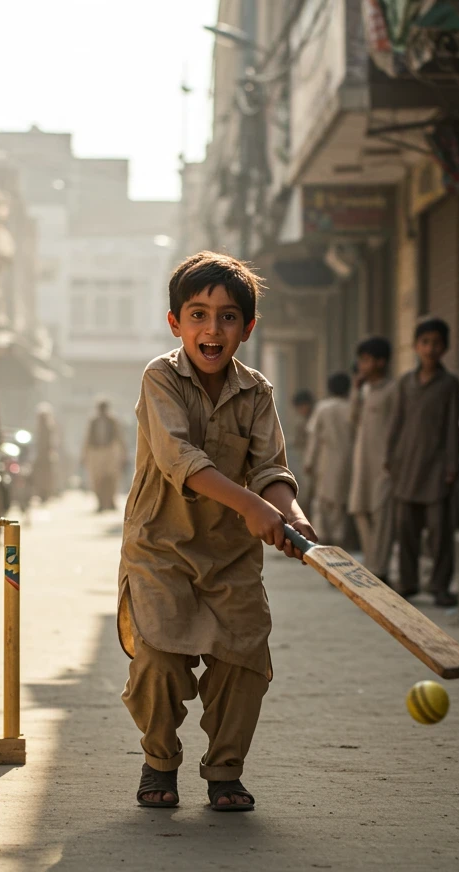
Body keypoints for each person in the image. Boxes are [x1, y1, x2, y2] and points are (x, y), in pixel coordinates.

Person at [118, 251, 316, 812]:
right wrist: (254, 507)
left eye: (228, 317)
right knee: (157, 661)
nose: (212, 328)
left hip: (231, 556)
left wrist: (291, 517)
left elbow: (271, 468)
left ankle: (225, 770)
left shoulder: (258, 392)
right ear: (175, 323)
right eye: (198, 314)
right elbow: (179, 456)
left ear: (247, 328)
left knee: (244, 660)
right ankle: (159, 760)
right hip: (161, 549)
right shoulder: (160, 377)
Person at [385, 317, 459, 607]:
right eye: (425, 342)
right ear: (416, 346)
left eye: (436, 343)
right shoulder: (406, 382)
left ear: (445, 348)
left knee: (440, 532)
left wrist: (452, 465)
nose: (430, 348)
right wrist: (390, 456)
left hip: (437, 467)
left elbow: (453, 426)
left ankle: (440, 586)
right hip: (406, 464)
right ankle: (408, 582)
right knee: (406, 529)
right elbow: (397, 422)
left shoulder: (450, 384)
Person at [347, 336, 395, 581]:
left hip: (384, 464)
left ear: (381, 362)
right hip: (363, 462)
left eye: (366, 360)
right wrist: (355, 392)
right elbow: (352, 420)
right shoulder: (365, 391)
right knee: (359, 510)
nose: (362, 365)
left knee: (382, 515)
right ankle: (372, 563)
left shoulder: (393, 390)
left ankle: (381, 569)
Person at [303, 371, 353, 544]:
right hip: (347, 462)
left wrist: (309, 461)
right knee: (339, 504)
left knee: (322, 503)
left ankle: (321, 538)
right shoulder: (351, 407)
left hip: (325, 461)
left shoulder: (323, 408)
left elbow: (314, 438)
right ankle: (339, 540)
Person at [82, 399, 124, 512]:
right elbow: (87, 438)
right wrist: (84, 454)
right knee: (97, 479)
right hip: (95, 452)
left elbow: (119, 437)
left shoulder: (113, 420)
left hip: (110, 451)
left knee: (111, 478)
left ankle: (110, 501)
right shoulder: (93, 421)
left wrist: (122, 454)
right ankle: (100, 502)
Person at [290, 389, 315, 515]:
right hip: (305, 462)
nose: (301, 410)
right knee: (306, 495)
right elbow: (297, 443)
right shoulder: (300, 422)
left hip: (318, 461)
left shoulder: (317, 417)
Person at [31, 403, 59, 504]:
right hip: (39, 456)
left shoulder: (49, 427)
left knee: (47, 476)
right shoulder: (38, 428)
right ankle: (41, 493)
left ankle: (46, 494)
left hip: (47, 456)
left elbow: (52, 442)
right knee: (39, 476)